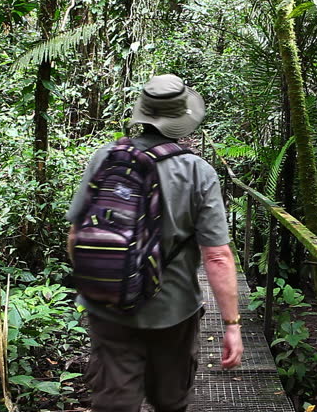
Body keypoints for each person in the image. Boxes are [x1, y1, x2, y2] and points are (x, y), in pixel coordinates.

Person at [65, 74, 243, 412]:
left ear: (142, 113)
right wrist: (232, 325)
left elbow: (75, 235)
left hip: (108, 307)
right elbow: (217, 256)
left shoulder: (105, 157)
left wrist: (105, 279)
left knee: (115, 399)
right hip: (172, 309)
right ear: (182, 121)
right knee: (170, 399)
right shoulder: (197, 172)